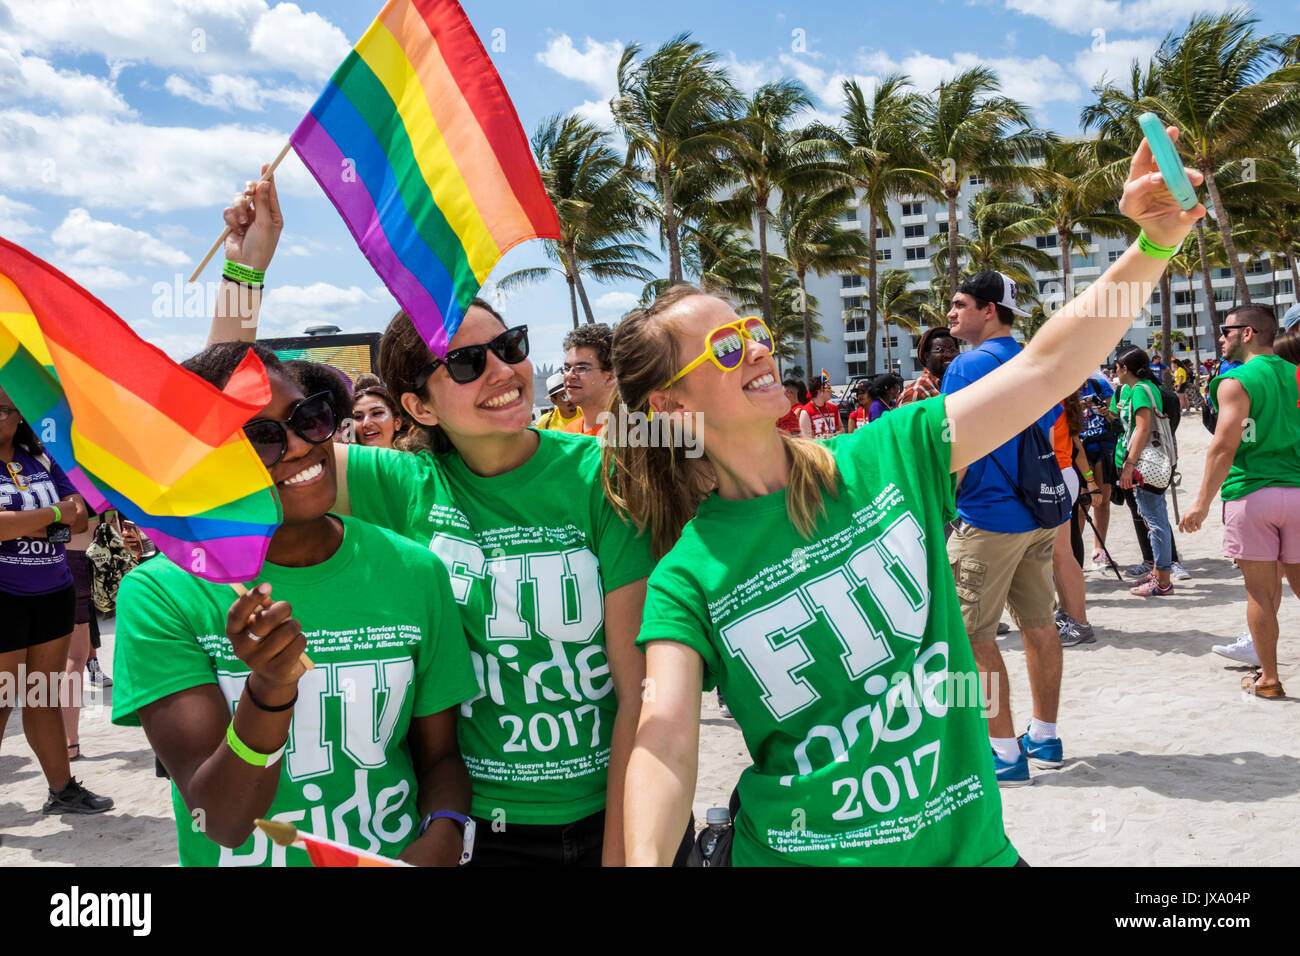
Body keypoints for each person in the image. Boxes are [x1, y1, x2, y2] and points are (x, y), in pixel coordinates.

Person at [617, 131, 1207, 863]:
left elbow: (1051, 366)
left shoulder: (888, 452)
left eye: (753, 330)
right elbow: (666, 737)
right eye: (728, 348)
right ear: (672, 409)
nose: (759, 349)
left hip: (973, 850)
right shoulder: (686, 575)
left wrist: (1153, 245)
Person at [210, 175, 658, 865]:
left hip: (614, 816)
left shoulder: (600, 473)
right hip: (481, 831)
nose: (503, 371)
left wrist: (627, 853)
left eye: (510, 346)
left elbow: (640, 695)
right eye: (468, 363)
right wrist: (246, 269)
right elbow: (233, 422)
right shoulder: (401, 483)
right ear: (418, 407)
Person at [112, 342, 478, 866]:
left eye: (309, 417)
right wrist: (269, 689)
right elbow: (221, 821)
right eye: (260, 439)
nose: (300, 447)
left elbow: (439, 755)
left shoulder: (415, 571)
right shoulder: (163, 593)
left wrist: (444, 835)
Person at [941, 270, 1066, 786]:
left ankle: (1003, 751)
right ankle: (1045, 735)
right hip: (1039, 514)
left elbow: (958, 449)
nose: (950, 313)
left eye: (959, 304)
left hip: (989, 518)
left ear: (989, 309)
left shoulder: (967, 366)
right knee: (1039, 624)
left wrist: (941, 505)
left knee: (970, 637)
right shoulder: (1038, 362)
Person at [1179, 306, 1300, 698]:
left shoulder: (1235, 381)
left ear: (1247, 333)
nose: (1221, 338)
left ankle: (1269, 679)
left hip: (1252, 494)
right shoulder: (1295, 373)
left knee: (1261, 595)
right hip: (1297, 491)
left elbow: (1223, 447)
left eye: (1225, 331)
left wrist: (1200, 504)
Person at [0, 387, 111, 814]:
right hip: (5, 594)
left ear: (18, 416)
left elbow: (81, 517)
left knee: (43, 694)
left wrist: (26, 526)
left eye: (3, 410)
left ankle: (62, 790)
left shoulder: (42, 459)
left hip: (53, 588)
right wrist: (51, 516)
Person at [1113, 347, 1177, 597]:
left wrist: (1129, 465)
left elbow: (1142, 430)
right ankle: (1159, 575)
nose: (1114, 371)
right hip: (1153, 461)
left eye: (1116, 367)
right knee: (1155, 519)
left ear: (1124, 369)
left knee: (1155, 521)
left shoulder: (1140, 390)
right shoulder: (1145, 388)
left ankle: (1162, 581)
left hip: (1145, 463)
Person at [1051, 390, 1097, 646]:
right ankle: (1069, 616)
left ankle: (1079, 622)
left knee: (1061, 555)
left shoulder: (1051, 399)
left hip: (1056, 474)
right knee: (1060, 555)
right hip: (1064, 472)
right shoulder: (1063, 397)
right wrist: (1088, 480)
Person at [1078, 370, 1117, 569]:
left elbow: (1114, 416)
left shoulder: (1099, 385)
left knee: (1103, 500)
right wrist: (1077, 406)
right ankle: (1075, 554)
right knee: (1081, 504)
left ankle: (1099, 551)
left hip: (1102, 446)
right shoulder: (1064, 389)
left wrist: (1105, 410)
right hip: (1079, 449)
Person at [562, 324, 616, 437]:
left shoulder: (632, 436)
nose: (570, 375)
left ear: (611, 377)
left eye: (582, 368)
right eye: (567, 368)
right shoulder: (568, 434)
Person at [897, 327, 958, 406]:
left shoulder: (956, 385)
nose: (948, 355)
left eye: (952, 350)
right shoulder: (917, 391)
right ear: (927, 356)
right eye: (940, 350)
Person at [352, 384, 406, 449]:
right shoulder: (343, 457)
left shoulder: (414, 458)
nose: (366, 423)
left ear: (397, 422)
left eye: (377, 413)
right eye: (358, 417)